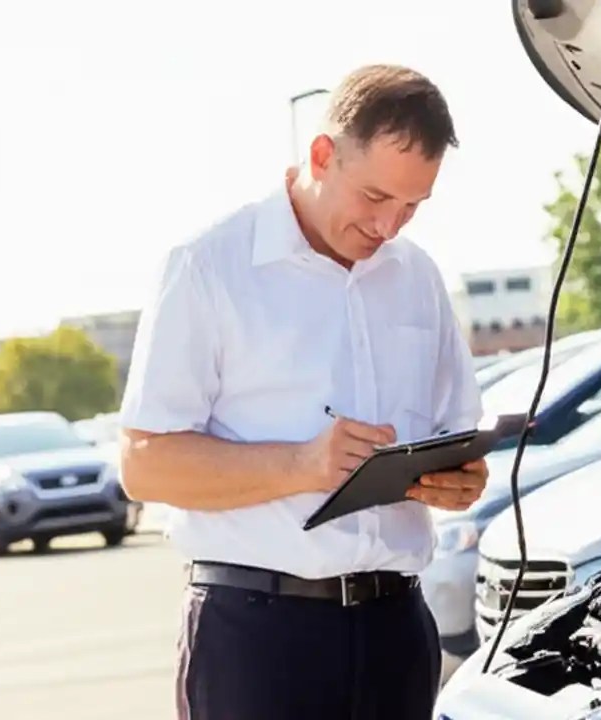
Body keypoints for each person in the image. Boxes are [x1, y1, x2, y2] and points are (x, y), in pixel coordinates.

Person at [118, 64, 489, 720]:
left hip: (396, 633)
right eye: (375, 197)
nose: (389, 227)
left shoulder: (417, 276)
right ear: (322, 154)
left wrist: (460, 481)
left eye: (412, 206)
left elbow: (453, 437)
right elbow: (144, 463)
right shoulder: (208, 266)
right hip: (257, 641)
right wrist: (303, 464)